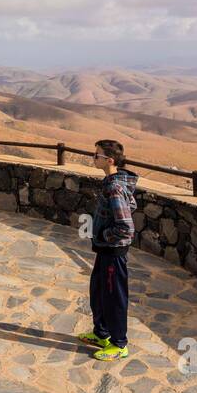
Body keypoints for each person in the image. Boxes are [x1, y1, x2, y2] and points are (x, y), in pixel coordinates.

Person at [79, 139, 138, 361]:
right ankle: (101, 334)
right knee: (99, 292)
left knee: (114, 298)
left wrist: (103, 235)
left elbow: (125, 227)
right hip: (105, 251)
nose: (94, 158)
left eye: (97, 155)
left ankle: (119, 344)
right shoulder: (112, 182)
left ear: (109, 160)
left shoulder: (114, 187)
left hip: (113, 253)